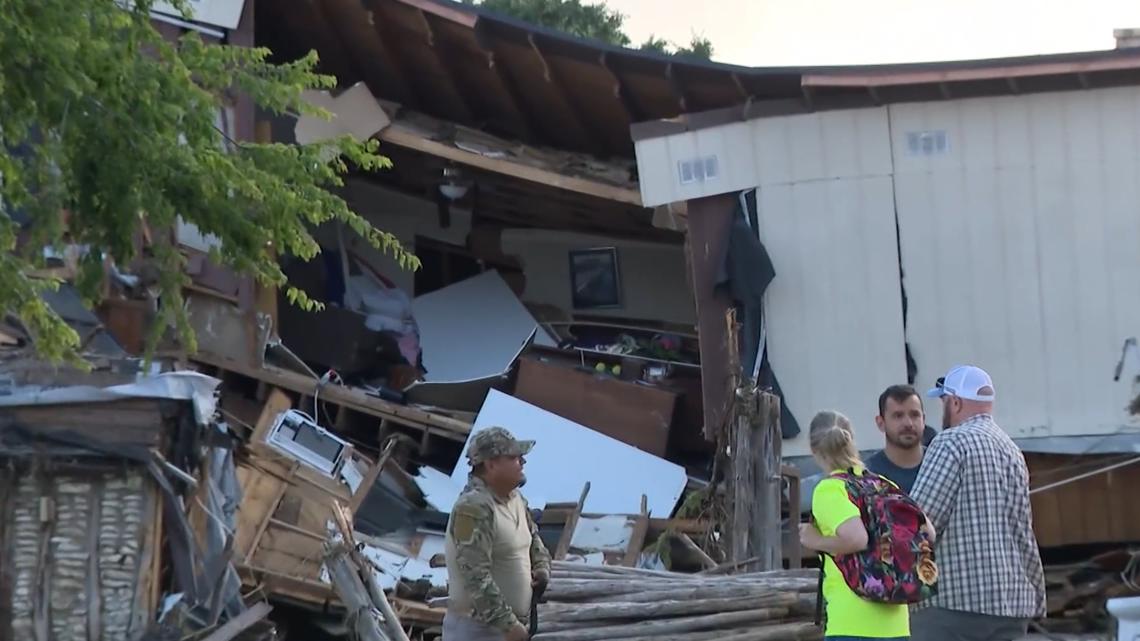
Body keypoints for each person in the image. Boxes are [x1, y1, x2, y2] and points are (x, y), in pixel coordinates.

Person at [910, 365, 1046, 641]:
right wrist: (1037, 594)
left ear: (955, 402)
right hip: (1012, 603)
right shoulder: (1012, 450)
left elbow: (918, 522)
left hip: (954, 604)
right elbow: (1023, 531)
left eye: (944, 401)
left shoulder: (950, 442)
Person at [799, 410, 911, 641]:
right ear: (851, 441)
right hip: (897, 624)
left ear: (813, 450)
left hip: (852, 624)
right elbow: (925, 529)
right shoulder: (884, 484)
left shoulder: (830, 489)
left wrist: (815, 540)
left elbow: (857, 538)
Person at [444, 427, 551, 641]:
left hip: (505, 628)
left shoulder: (516, 499)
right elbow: (474, 575)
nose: (522, 462)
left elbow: (533, 539)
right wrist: (508, 624)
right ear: (490, 464)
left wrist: (541, 566)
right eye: (513, 457)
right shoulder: (474, 507)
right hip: (478, 630)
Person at [864, 385, 928, 494]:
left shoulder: (942, 465)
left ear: (923, 420)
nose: (908, 423)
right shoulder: (867, 475)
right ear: (881, 423)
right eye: (898, 416)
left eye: (914, 415)